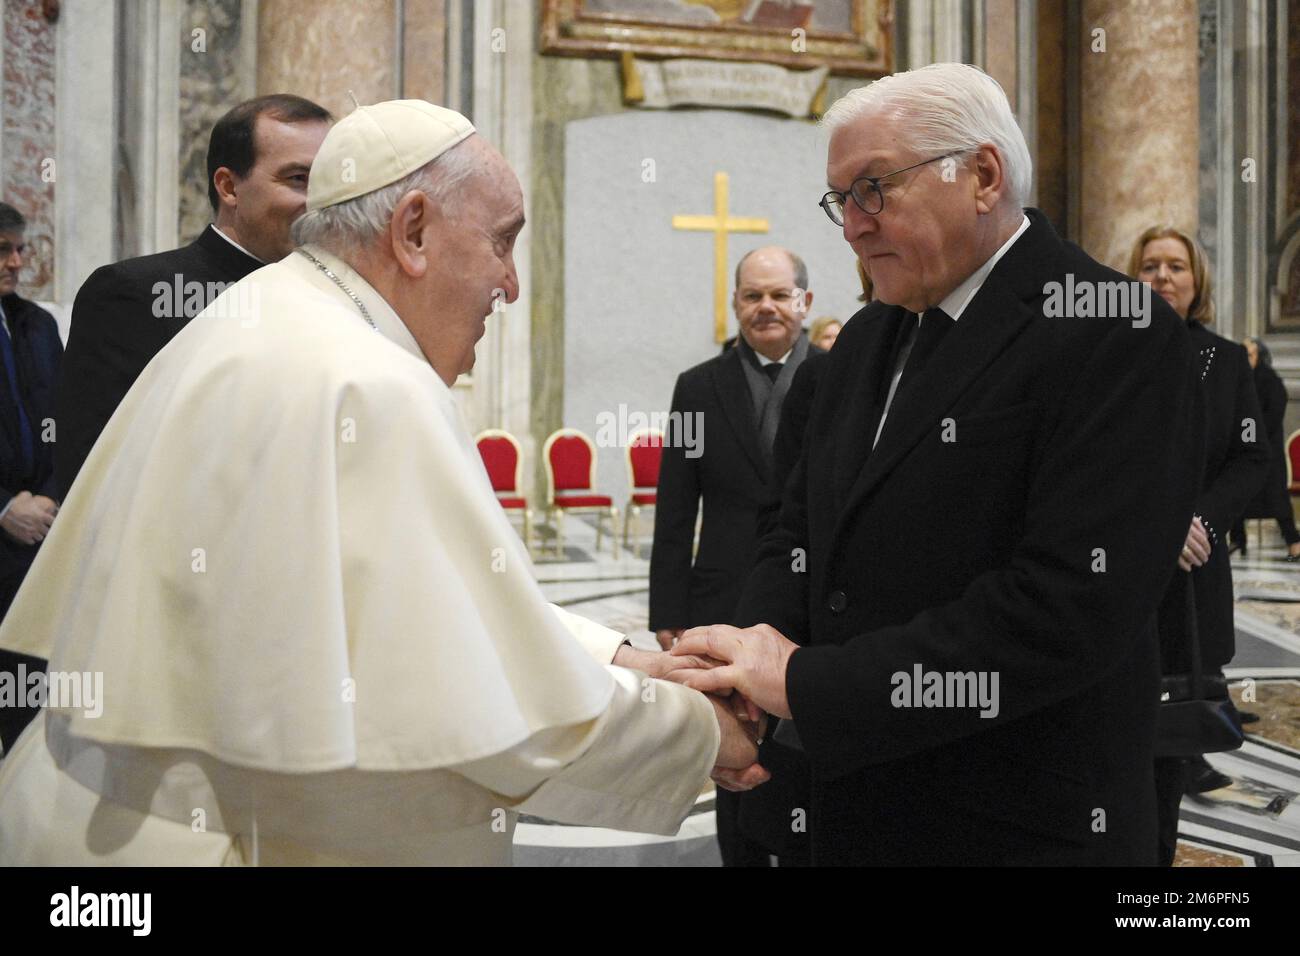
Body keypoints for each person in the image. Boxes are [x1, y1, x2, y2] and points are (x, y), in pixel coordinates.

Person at [0, 100, 766, 865]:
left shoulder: (265, 316)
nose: (510, 284)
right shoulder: (369, 383)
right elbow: (495, 708)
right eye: (502, 243)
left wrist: (620, 661)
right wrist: (701, 732)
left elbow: (416, 607)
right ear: (412, 231)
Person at [667, 63, 1203, 866]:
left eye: (873, 189)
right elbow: (796, 528)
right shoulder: (861, 347)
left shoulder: (1114, 331)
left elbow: (1067, 608)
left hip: (1018, 822)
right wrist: (755, 655)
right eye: (839, 198)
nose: (850, 226)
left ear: (982, 175)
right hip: (854, 808)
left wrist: (809, 685)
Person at [53, 93, 333, 500]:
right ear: (228, 187)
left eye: (327, 182)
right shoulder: (135, 294)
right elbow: (94, 477)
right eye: (297, 179)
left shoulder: (333, 298)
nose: (318, 203)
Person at [649, 245, 819, 866]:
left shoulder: (838, 377)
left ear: (805, 301)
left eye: (779, 295)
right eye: (753, 296)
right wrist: (669, 606)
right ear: (736, 305)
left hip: (807, 599)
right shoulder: (698, 387)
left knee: (802, 743)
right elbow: (674, 507)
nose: (766, 308)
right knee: (733, 746)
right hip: (720, 593)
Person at [1131, 225, 1269, 865]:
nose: (1162, 276)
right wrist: (1155, 518)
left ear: (1196, 282)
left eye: (1175, 266)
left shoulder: (1224, 362)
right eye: (1150, 265)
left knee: (1167, 744)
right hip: (1116, 567)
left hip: (1190, 573)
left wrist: (1202, 521)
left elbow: (1249, 459)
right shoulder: (1099, 353)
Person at [0, 202, 63, 755]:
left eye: (20, 249)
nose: (17, 261)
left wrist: (52, 497)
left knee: (29, 708)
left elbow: (69, 420)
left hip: (39, 540)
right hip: (5, 526)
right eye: (4, 249)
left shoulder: (38, 325)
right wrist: (3, 507)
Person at [1232, 336, 1299, 559]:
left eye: (1249, 355)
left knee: (1277, 499)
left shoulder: (1271, 382)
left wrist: (1251, 436)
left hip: (1266, 451)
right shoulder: (1239, 382)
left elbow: (1271, 417)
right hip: (1242, 450)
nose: (1244, 359)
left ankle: (1294, 544)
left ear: (1260, 357)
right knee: (1238, 495)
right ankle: (1237, 541)